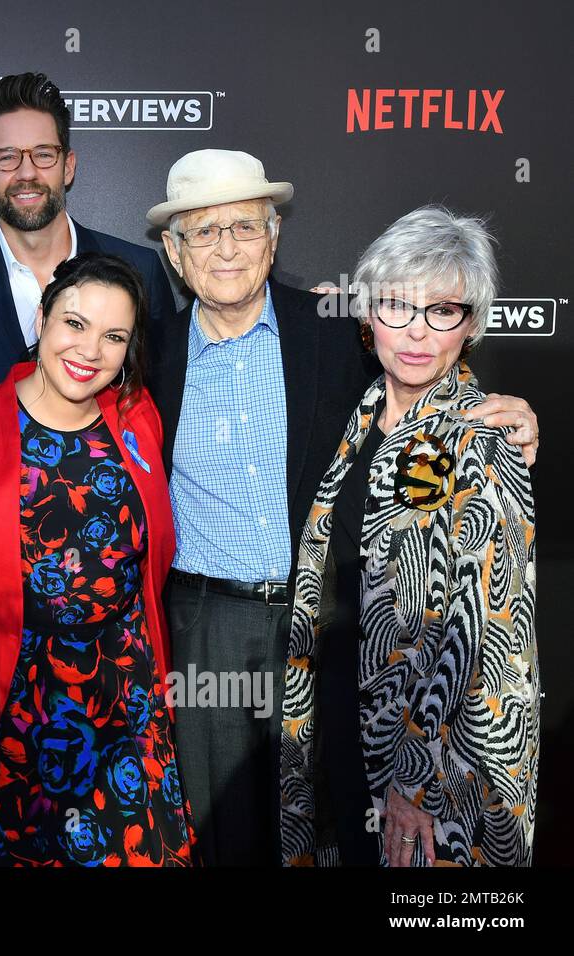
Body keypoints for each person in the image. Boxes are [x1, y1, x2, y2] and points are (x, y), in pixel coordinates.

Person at [143, 149, 541, 865]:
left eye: (244, 227)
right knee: (227, 836)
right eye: (203, 233)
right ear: (174, 253)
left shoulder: (330, 328)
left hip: (334, 639)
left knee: (335, 831)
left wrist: (507, 415)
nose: (226, 248)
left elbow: (478, 600)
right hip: (206, 627)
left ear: (274, 237)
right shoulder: (145, 352)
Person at [280, 206, 539, 867]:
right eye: (397, 306)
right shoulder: (357, 419)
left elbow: (475, 629)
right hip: (343, 706)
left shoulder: (484, 438)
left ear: (471, 325)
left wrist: (417, 779)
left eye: (442, 310)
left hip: (436, 748)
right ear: (367, 318)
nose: (417, 332)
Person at [0, 253, 196, 866]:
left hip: (124, 693)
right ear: (43, 318)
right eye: (75, 324)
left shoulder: (137, 415)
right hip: (16, 694)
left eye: (114, 337)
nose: (91, 351)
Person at [0, 72, 177, 400]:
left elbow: (159, 402)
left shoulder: (140, 269)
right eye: (7, 157)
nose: (26, 173)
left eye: (43, 155)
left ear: (67, 166)